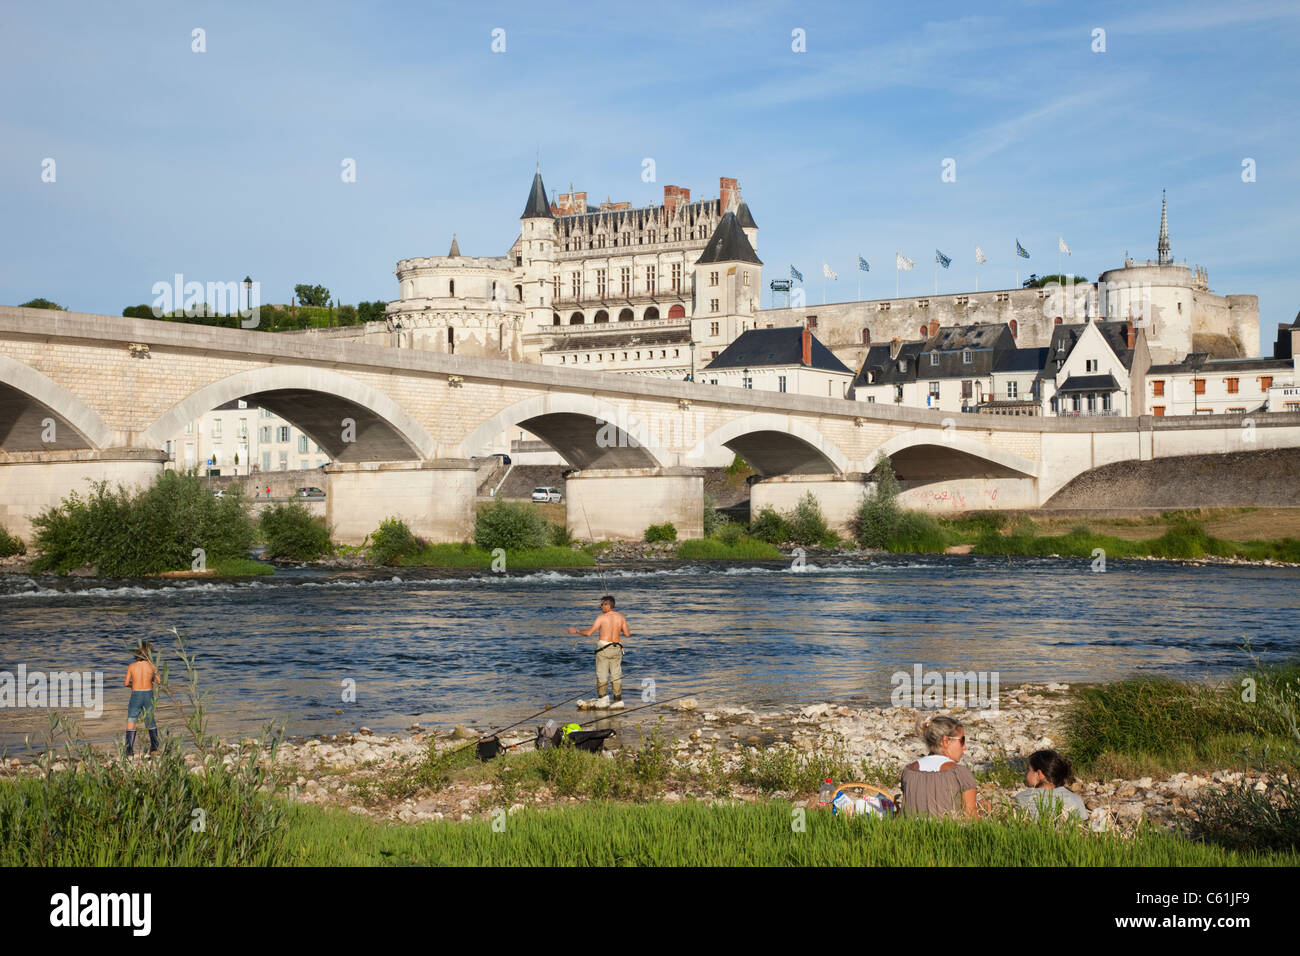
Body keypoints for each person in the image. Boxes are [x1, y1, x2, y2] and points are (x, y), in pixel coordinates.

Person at [900, 714, 978, 818]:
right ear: (945, 741)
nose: (964, 747)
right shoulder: (959, 774)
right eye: (962, 741)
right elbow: (971, 819)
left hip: (910, 831)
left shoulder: (909, 771)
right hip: (949, 832)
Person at [568, 595, 629, 709]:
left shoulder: (601, 617)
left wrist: (576, 631)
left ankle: (602, 700)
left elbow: (589, 633)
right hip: (617, 649)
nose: (600, 606)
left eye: (602, 604)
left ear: (607, 605)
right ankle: (617, 700)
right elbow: (627, 634)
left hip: (603, 649)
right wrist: (617, 627)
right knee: (616, 676)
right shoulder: (621, 617)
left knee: (602, 676)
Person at [1013, 750, 1087, 821]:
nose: (1026, 773)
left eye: (1028, 770)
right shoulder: (1075, 799)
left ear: (1039, 774)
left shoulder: (1022, 798)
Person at [124, 641, 160, 756]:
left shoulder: (131, 666)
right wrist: (151, 679)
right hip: (148, 694)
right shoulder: (152, 666)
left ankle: (129, 749)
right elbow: (159, 681)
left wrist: (133, 684)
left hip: (136, 695)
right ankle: (154, 747)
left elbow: (125, 683)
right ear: (149, 654)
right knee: (150, 719)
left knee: (132, 719)